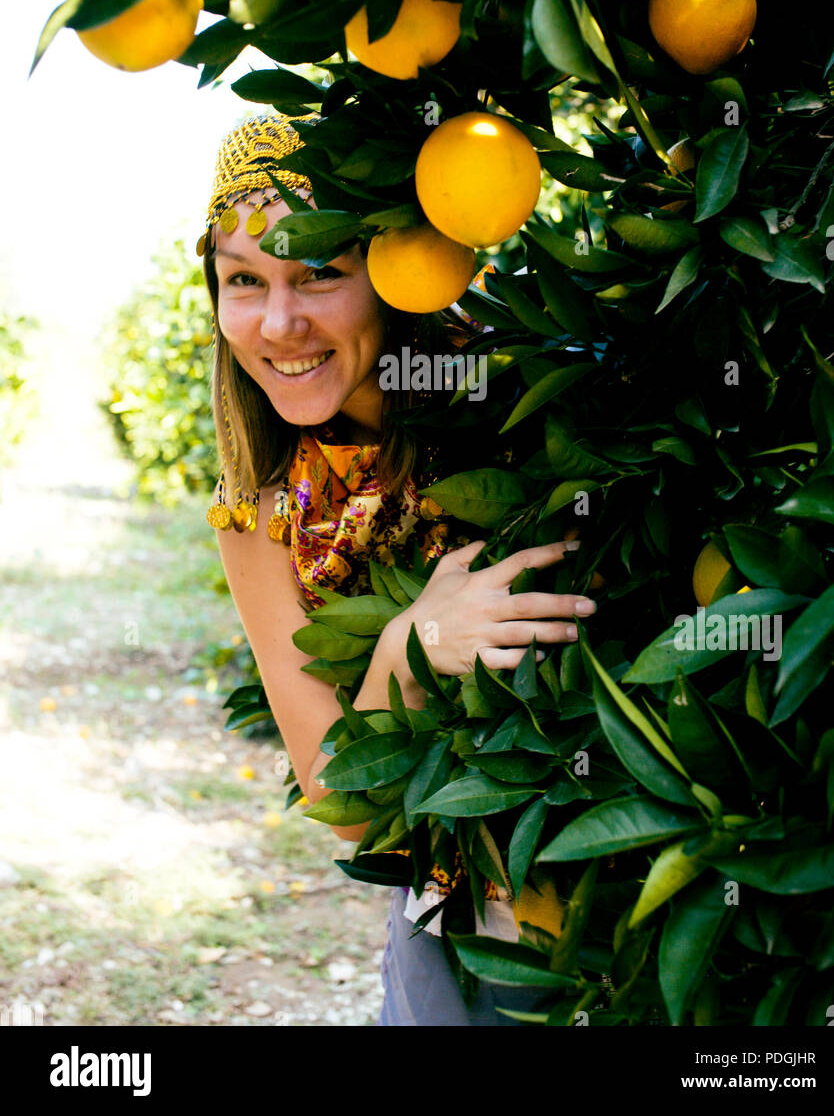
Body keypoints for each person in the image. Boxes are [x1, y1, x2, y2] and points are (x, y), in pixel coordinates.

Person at [196, 111, 597, 1025]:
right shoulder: (257, 511)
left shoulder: (519, 401)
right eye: (244, 282)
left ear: (386, 273)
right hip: (452, 918)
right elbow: (341, 803)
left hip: (621, 881)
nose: (278, 321)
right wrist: (412, 645)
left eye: (318, 275)